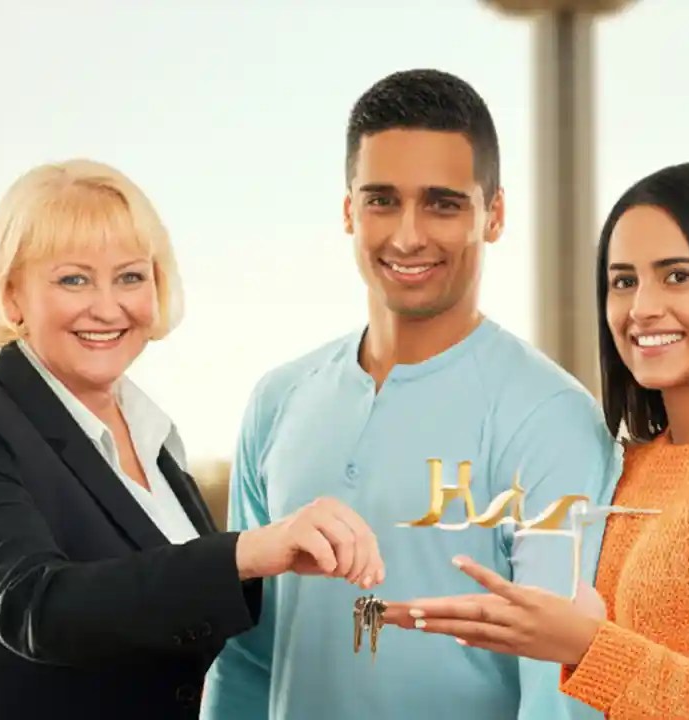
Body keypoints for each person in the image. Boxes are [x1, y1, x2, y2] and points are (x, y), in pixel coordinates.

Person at [200, 69, 621, 720]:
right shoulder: (277, 401)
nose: (407, 235)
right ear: (348, 210)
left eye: (443, 203)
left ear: (495, 214)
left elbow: (557, 687)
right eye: (381, 200)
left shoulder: (552, 421)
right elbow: (247, 655)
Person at [0, 159, 385, 720]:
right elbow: (37, 610)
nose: (107, 307)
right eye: (73, 279)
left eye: (130, 276)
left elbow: (178, 624)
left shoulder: (157, 449)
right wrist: (250, 549)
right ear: (12, 296)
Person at [385, 162, 689, 719]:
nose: (642, 308)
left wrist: (588, 647)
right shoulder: (627, 465)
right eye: (623, 281)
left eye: (677, 275)